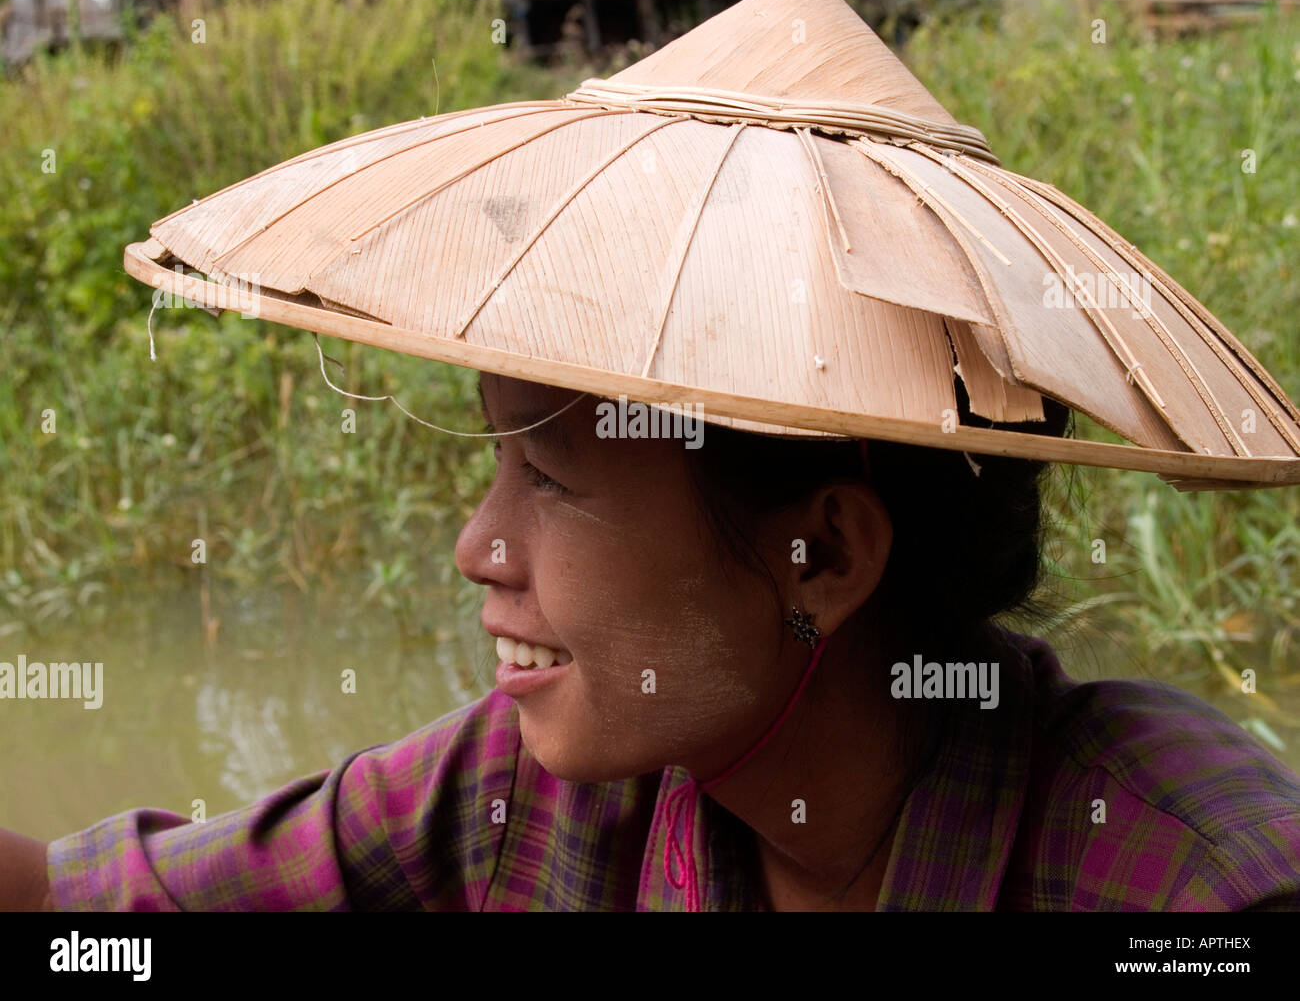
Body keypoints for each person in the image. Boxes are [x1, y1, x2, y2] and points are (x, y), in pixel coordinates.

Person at [2, 375, 1298, 911]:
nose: (476, 547)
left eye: (551, 484)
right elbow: (97, 919)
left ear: (823, 556)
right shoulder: (523, 798)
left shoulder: (1193, 880)